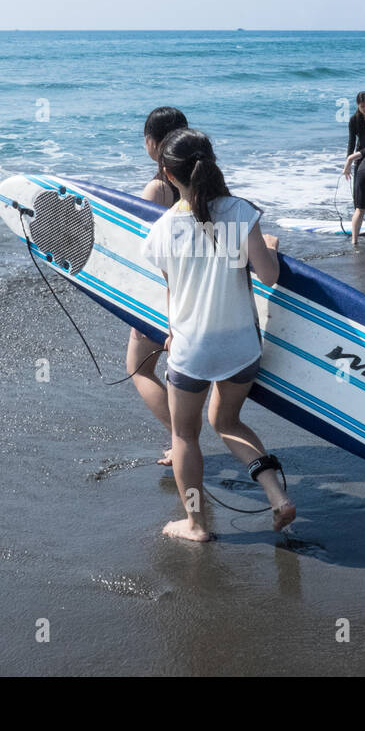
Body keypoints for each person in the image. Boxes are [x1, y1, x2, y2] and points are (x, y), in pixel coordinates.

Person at [141, 128, 294, 542]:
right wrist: (268, 248)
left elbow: (173, 288)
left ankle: (196, 524)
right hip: (241, 348)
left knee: (185, 436)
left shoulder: (163, 229)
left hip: (191, 350)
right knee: (227, 421)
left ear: (169, 178)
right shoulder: (242, 212)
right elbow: (269, 275)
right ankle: (278, 498)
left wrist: (172, 332)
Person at [131, 106, 187, 467]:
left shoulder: (157, 187)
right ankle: (182, 440)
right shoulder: (198, 181)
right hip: (191, 290)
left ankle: (180, 439)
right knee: (176, 370)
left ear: (152, 142)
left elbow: (141, 249)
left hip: (160, 293)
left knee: (138, 368)